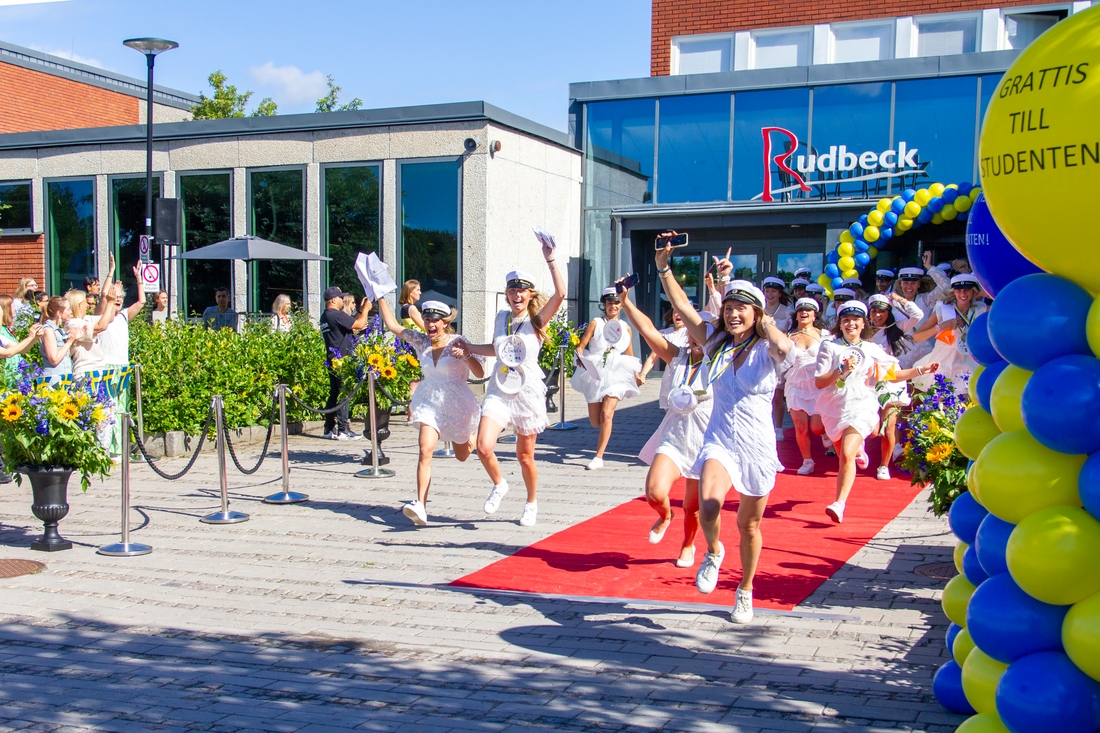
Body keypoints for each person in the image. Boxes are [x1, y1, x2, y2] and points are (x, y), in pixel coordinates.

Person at [656, 233, 793, 625]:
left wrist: (767, 327)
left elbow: (785, 349)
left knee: (749, 526)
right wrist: (664, 267)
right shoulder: (715, 341)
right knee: (709, 505)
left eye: (742, 309)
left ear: (756, 314)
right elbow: (682, 304)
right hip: (719, 439)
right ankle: (714, 551)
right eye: (728, 307)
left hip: (758, 446)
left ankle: (745, 590)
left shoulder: (769, 349)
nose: (733, 314)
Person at [454, 235, 565, 527]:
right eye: (512, 290)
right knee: (483, 445)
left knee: (525, 456)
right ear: (506, 293)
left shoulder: (537, 320)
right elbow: (497, 349)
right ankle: (500, 484)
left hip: (526, 391)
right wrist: (469, 348)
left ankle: (531, 503)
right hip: (500, 388)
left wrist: (550, 258)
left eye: (522, 291)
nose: (517, 295)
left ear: (530, 295)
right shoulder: (501, 317)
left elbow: (560, 294)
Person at [814, 300, 938, 523]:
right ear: (840, 324)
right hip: (834, 406)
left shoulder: (872, 349)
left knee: (846, 454)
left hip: (862, 404)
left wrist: (920, 370)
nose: (851, 324)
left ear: (863, 324)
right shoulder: (829, 347)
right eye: (846, 320)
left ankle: (839, 503)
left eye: (855, 320)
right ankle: (862, 449)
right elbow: (820, 382)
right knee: (843, 449)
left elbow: (891, 374)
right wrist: (840, 371)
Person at [618, 284, 706, 568]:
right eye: (693, 333)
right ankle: (665, 515)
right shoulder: (677, 356)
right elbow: (649, 331)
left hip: (705, 440)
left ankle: (688, 545)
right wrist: (626, 303)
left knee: (693, 507)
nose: (696, 339)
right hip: (674, 436)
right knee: (655, 492)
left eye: (702, 334)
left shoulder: (722, 363)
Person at [375, 296, 485, 525]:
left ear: (445, 322)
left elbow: (479, 372)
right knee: (425, 449)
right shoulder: (421, 341)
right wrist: (381, 297)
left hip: (457, 404)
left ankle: (473, 433)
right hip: (430, 403)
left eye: (435, 320)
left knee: (462, 455)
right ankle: (421, 506)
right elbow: (393, 326)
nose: (430, 325)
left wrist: (465, 355)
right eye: (426, 319)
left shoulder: (458, 341)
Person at [571, 287, 642, 470]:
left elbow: (629, 354)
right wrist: (580, 358)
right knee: (596, 421)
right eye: (610, 302)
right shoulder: (596, 323)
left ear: (621, 305)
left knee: (607, 414)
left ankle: (599, 456)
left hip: (617, 372)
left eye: (617, 302)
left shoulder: (626, 328)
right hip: (595, 371)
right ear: (604, 304)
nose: (613, 306)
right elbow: (581, 346)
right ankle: (603, 432)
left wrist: (637, 374)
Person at [868, 293, 924, 480]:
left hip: (891, 379)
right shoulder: (863, 330)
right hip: (867, 380)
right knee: (869, 426)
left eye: (881, 311)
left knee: (889, 427)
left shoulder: (897, 327)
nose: (877, 315)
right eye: (873, 311)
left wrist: (899, 299)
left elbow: (917, 315)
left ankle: (884, 465)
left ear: (889, 312)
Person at [96, 266, 147, 457]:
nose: (117, 301)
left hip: (122, 366)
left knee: (121, 409)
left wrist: (138, 278)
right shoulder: (102, 317)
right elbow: (103, 297)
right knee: (106, 407)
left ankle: (119, 448)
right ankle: (104, 448)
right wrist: (110, 272)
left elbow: (141, 302)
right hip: (106, 366)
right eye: (114, 298)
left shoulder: (124, 316)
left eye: (120, 298)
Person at [911, 273, 986, 394]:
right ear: (953, 292)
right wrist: (940, 327)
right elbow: (917, 337)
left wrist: (983, 292)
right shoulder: (944, 309)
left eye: (967, 290)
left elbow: (1002, 304)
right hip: (944, 362)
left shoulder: (980, 309)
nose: (962, 294)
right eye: (958, 290)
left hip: (968, 362)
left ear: (973, 291)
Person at [319, 286, 372, 441]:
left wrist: (360, 311)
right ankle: (343, 429)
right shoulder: (335, 314)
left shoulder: (326, 315)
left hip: (332, 359)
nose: (343, 300)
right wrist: (367, 310)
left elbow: (351, 321)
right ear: (334, 300)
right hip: (342, 360)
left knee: (334, 393)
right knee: (344, 394)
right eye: (341, 298)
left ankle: (329, 428)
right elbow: (359, 325)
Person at [784, 298, 829, 475]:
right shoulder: (789, 336)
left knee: (817, 427)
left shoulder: (825, 335)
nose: (804, 313)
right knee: (800, 426)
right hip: (795, 383)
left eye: (808, 310)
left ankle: (826, 433)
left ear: (814, 314)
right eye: (801, 310)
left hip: (818, 382)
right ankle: (807, 460)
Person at [638, 308, 689, 410]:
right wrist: (642, 375)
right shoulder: (665, 334)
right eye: (675, 312)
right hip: (669, 379)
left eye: (681, 312)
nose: (677, 315)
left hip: (686, 378)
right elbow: (653, 357)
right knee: (669, 417)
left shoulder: (692, 333)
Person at [762, 277, 792, 442]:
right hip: (762, 353)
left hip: (779, 355)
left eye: (773, 291)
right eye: (767, 291)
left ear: (780, 293)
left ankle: (778, 427)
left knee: (777, 394)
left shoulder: (786, 311)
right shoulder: (760, 310)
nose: (770, 294)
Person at [64, 290, 107, 377]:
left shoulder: (86, 319)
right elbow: (101, 326)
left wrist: (113, 300)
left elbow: (109, 319)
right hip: (85, 371)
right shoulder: (72, 323)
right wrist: (109, 303)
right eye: (85, 302)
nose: (87, 305)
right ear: (79, 305)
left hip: (98, 368)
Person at [39, 296, 75, 383]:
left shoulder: (59, 329)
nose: (70, 312)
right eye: (68, 309)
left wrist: (74, 340)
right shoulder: (48, 330)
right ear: (59, 313)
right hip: (53, 379)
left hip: (64, 377)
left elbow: (66, 354)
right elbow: (54, 360)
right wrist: (68, 342)